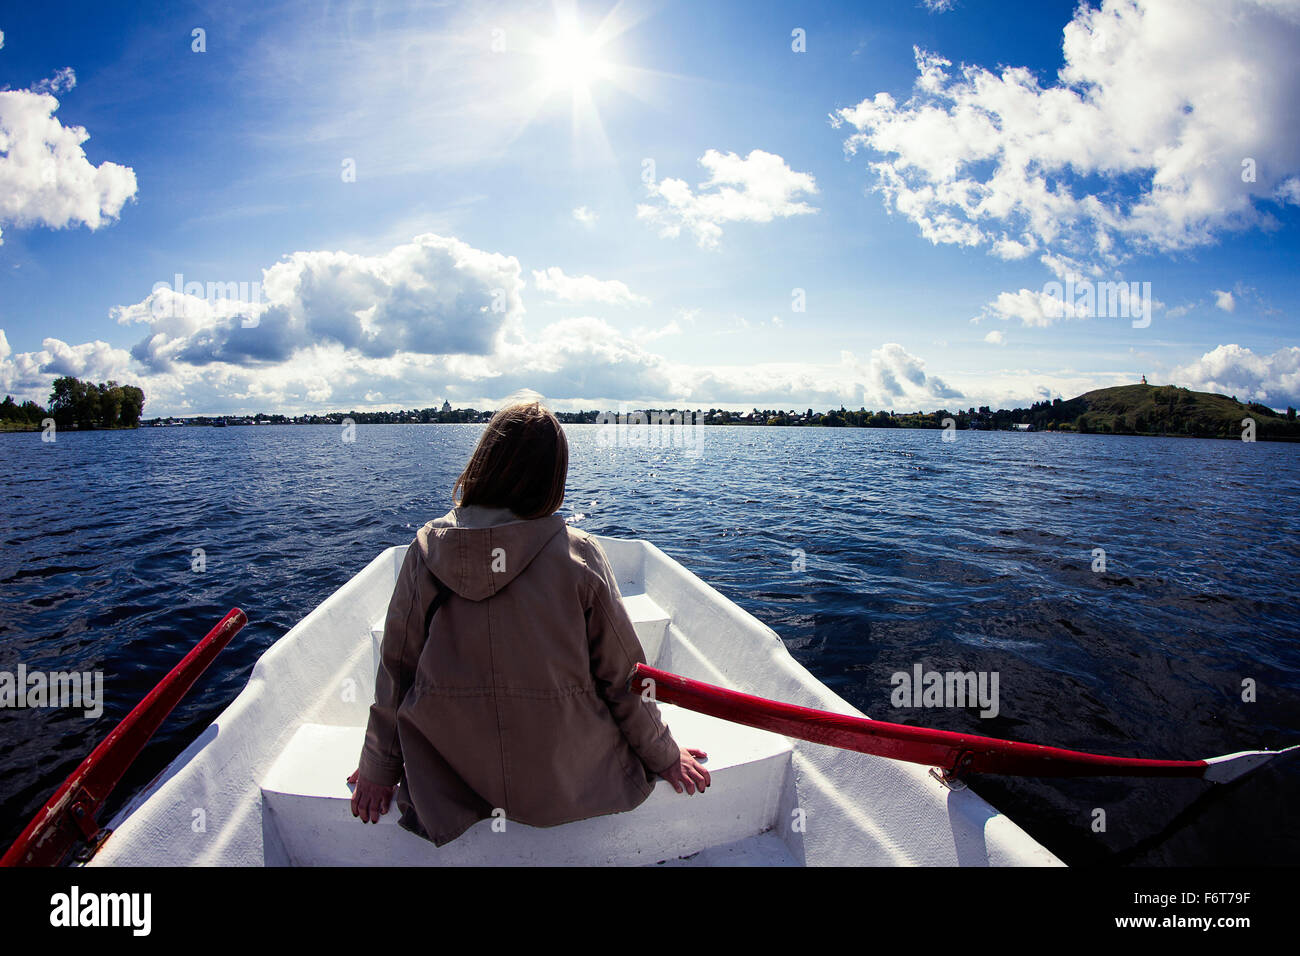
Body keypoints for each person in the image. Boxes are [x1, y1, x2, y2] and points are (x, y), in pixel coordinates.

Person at [349, 401, 709, 846]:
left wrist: (380, 765)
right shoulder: (579, 555)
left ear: (483, 463)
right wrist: (664, 754)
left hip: (450, 777)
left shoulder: (425, 552)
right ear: (552, 477)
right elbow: (625, 680)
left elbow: (396, 672)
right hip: (565, 777)